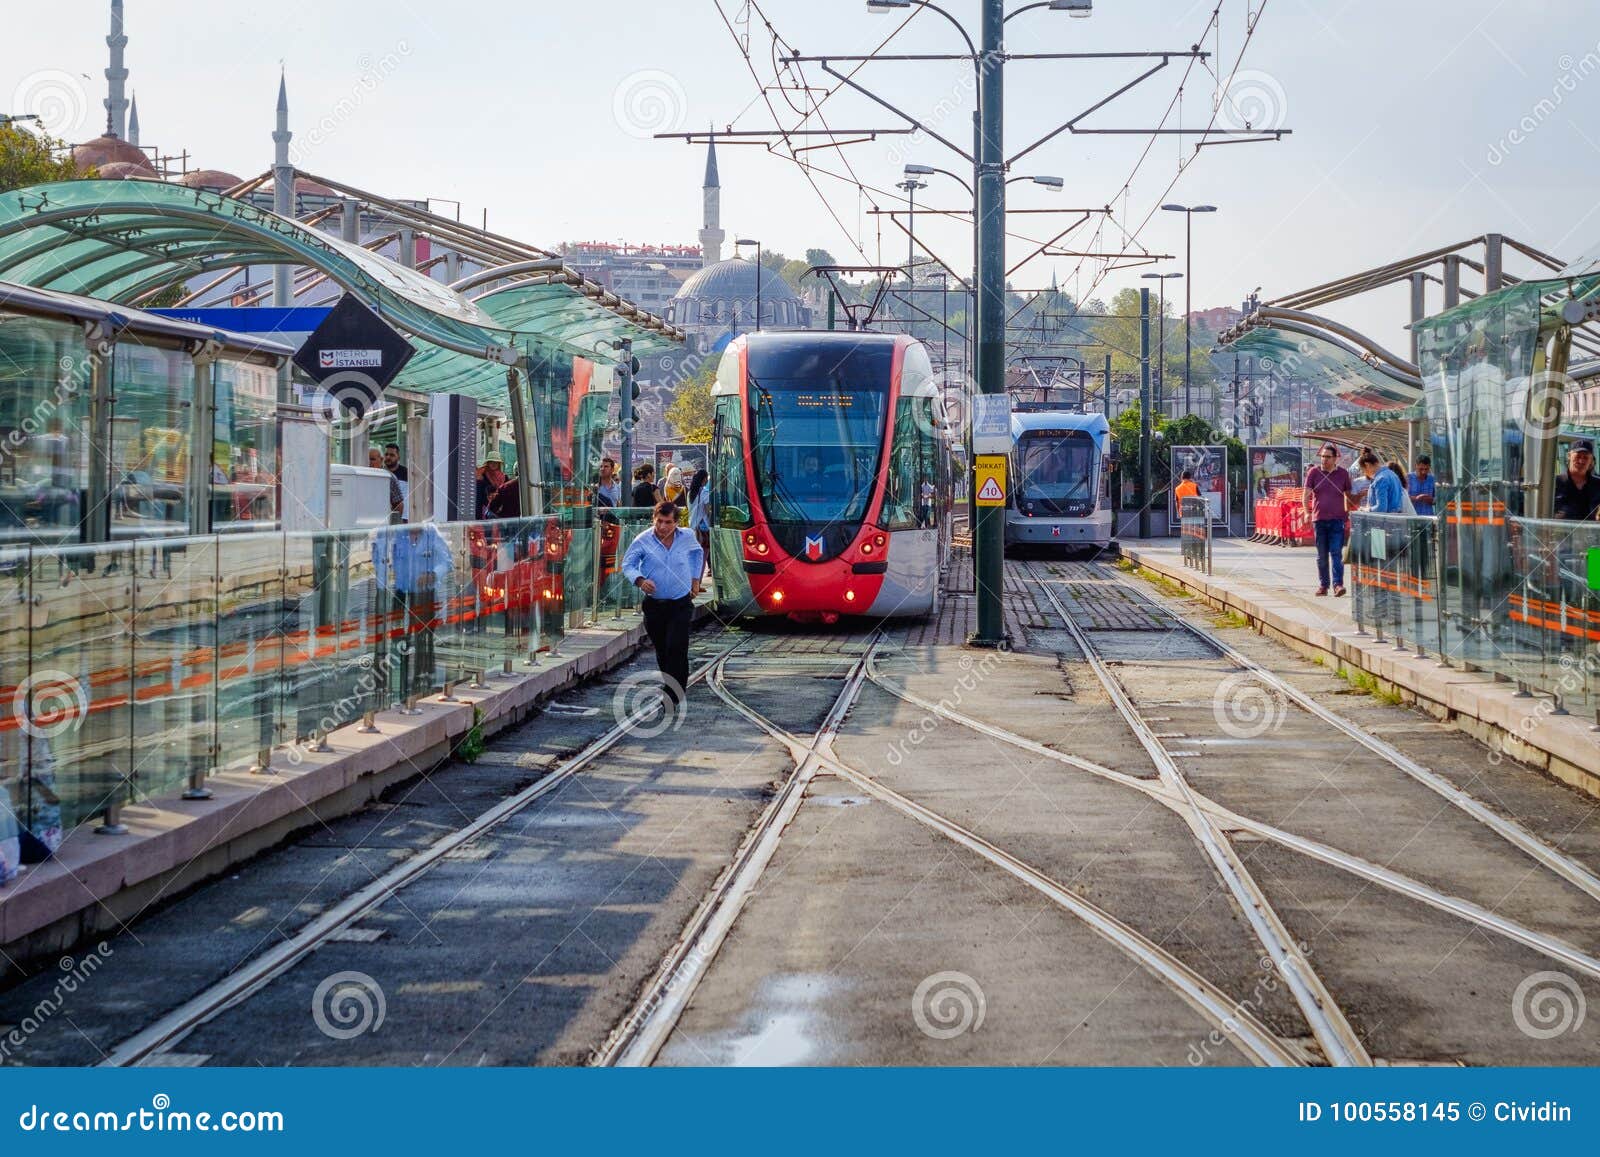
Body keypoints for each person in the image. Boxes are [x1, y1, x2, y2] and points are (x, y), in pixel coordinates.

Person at [622, 501, 704, 704]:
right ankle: (670, 684)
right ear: (654, 520)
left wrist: (695, 580)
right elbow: (628, 564)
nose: (663, 527)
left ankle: (674, 693)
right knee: (662, 648)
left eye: (668, 522)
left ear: (676, 523)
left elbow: (697, 553)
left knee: (677, 645)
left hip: (680, 603)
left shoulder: (687, 536)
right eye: (659, 521)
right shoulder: (643, 540)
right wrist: (640, 580)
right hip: (654, 605)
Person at [1304, 443, 1353, 597]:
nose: (1324, 459)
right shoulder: (1314, 472)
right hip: (1319, 519)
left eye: (1327, 457)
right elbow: (1306, 495)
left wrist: (1349, 514)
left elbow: (1349, 496)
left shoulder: (1343, 474)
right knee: (1322, 555)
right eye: (1322, 456)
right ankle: (1323, 585)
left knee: (1336, 553)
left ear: (1335, 458)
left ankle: (1338, 585)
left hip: (1337, 520)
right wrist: (1306, 512)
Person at [1553, 439, 1600, 521]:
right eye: (1578, 456)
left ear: (1591, 460)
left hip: (1592, 529)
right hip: (1560, 529)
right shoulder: (1554, 483)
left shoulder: (1598, 484)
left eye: (1585, 457)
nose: (1581, 461)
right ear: (1569, 456)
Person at [370, 448, 404, 520]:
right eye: (367, 459)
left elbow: (398, 505)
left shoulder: (389, 477)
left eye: (372, 459)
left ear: (381, 460)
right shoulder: (359, 476)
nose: (369, 462)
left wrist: (393, 523)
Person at [687, 467, 712, 563]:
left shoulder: (690, 492)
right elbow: (707, 510)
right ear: (704, 479)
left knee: (695, 555)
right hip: (703, 527)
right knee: (704, 555)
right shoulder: (704, 492)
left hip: (692, 525)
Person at [384, 442, 410, 521]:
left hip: (405, 517)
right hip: (385, 518)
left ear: (398, 457)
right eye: (386, 454)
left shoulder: (407, 473)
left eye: (392, 455)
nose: (388, 457)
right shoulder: (380, 473)